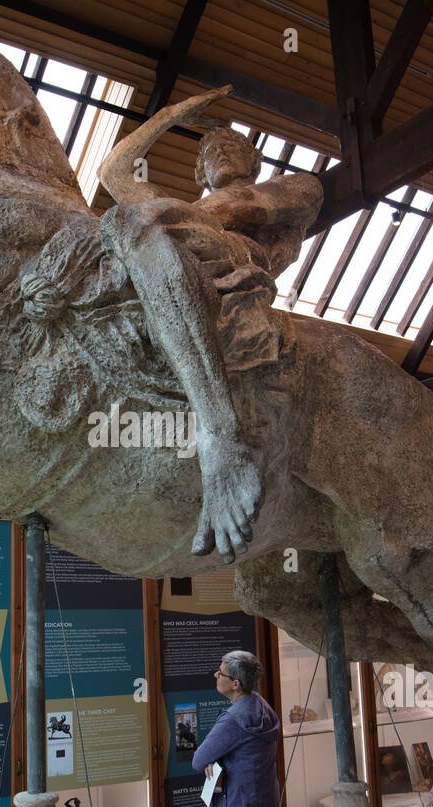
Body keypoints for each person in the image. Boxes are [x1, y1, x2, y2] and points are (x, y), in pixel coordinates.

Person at [95, 87, 322, 563]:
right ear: (198, 173)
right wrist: (170, 116)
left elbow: (238, 208)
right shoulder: (180, 214)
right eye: (208, 151)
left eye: (232, 144)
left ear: (254, 160)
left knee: (135, 224)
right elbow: (112, 173)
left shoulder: (297, 187)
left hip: (234, 269)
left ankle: (219, 436)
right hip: (175, 256)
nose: (220, 149)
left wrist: (163, 209)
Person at [192, 650, 281, 807]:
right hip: (264, 804)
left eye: (221, 673)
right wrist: (213, 759)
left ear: (235, 684)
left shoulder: (232, 720)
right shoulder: (261, 705)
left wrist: (211, 760)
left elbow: (198, 760)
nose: (216, 674)